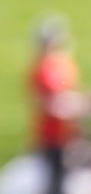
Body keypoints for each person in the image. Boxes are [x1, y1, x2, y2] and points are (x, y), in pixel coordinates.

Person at [28, 16, 86, 194]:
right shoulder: (45, 68)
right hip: (53, 136)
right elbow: (55, 103)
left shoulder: (63, 63)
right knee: (56, 181)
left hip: (67, 133)